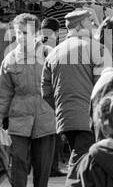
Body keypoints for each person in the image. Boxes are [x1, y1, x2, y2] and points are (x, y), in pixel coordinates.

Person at [0, 13, 57, 187]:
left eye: (25, 32)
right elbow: (4, 92)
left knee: (43, 162)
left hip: (45, 115)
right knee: (18, 161)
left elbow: (59, 85)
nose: (20, 36)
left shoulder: (49, 54)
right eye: (17, 32)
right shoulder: (10, 59)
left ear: (37, 33)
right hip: (19, 116)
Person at [42, 10, 98, 171]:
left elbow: (45, 90)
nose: (92, 24)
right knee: (83, 161)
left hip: (65, 117)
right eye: (89, 21)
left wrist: (60, 108)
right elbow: (104, 86)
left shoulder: (54, 53)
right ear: (81, 25)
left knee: (79, 155)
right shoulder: (95, 49)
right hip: (90, 118)